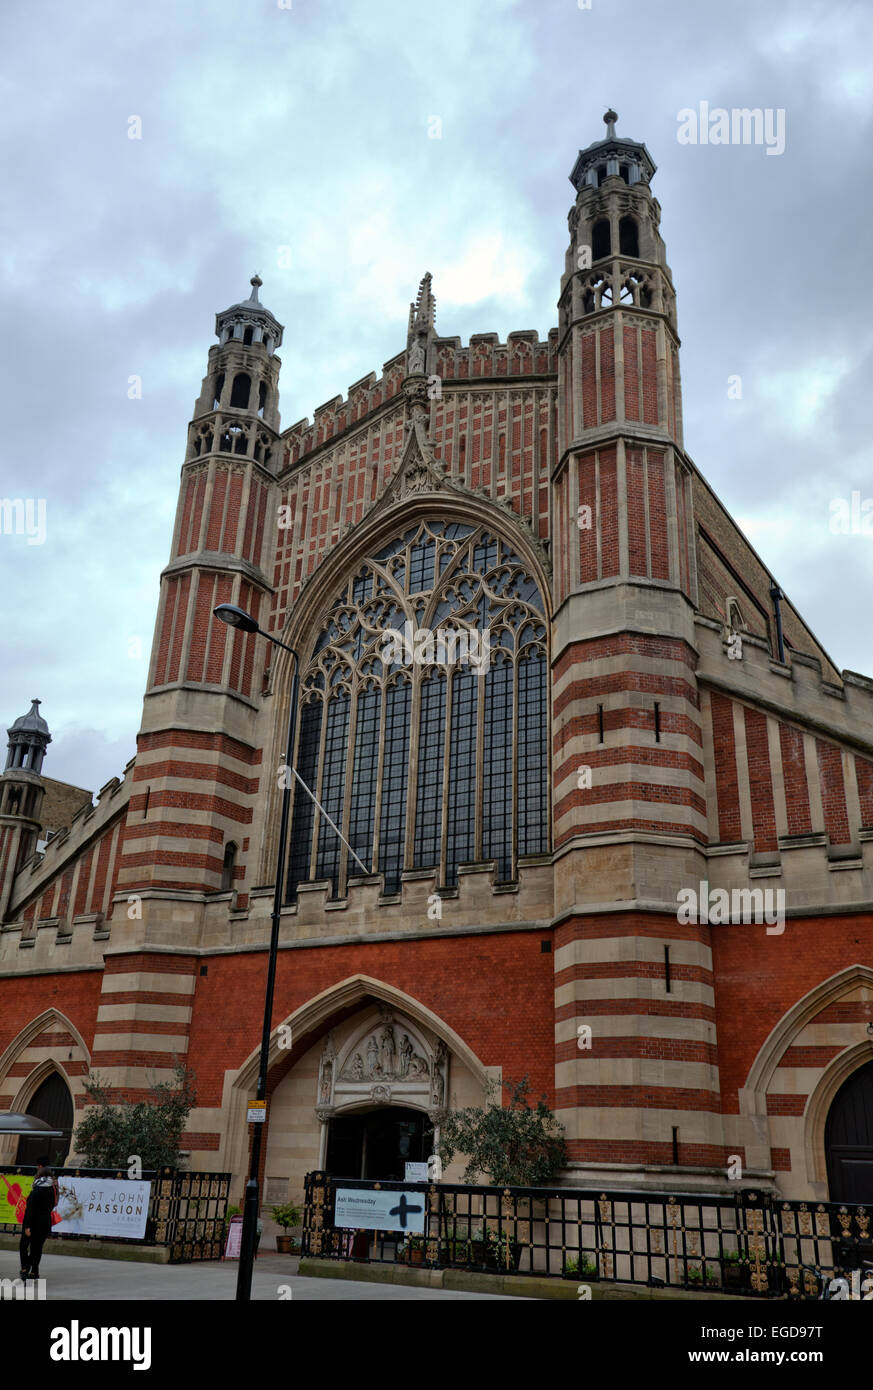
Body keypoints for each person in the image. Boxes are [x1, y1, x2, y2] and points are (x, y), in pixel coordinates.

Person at [19, 1156, 59, 1280]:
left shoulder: (38, 1188)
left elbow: (31, 1209)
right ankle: (34, 1271)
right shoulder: (53, 1187)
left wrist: (27, 1226)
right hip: (45, 1221)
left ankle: (25, 1268)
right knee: (37, 1247)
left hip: (33, 1221)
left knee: (24, 1245)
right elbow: (55, 1204)